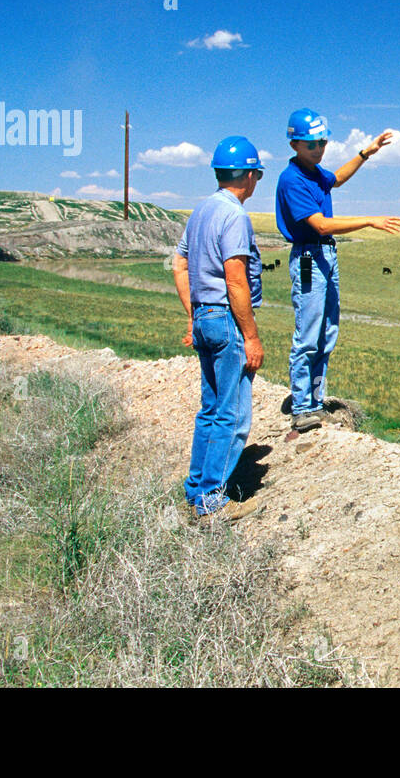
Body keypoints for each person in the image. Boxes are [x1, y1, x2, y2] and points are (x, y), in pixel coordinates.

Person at [275, 108, 400, 431]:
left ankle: (316, 401)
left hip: (326, 257)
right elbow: (320, 225)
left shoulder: (315, 172)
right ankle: (302, 407)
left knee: (327, 332)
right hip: (309, 258)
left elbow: (338, 178)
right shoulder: (292, 180)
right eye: (311, 144)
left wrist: (365, 153)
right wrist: (369, 220)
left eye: (322, 142)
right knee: (308, 332)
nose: (318, 149)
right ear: (295, 145)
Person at [172, 136, 266, 523]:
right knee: (232, 414)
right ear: (246, 176)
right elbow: (236, 280)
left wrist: (193, 316)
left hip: (204, 318)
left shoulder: (200, 212)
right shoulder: (234, 216)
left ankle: (195, 488)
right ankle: (211, 499)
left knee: (210, 409)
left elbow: (179, 265)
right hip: (227, 320)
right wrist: (251, 336)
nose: (256, 181)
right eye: (256, 174)